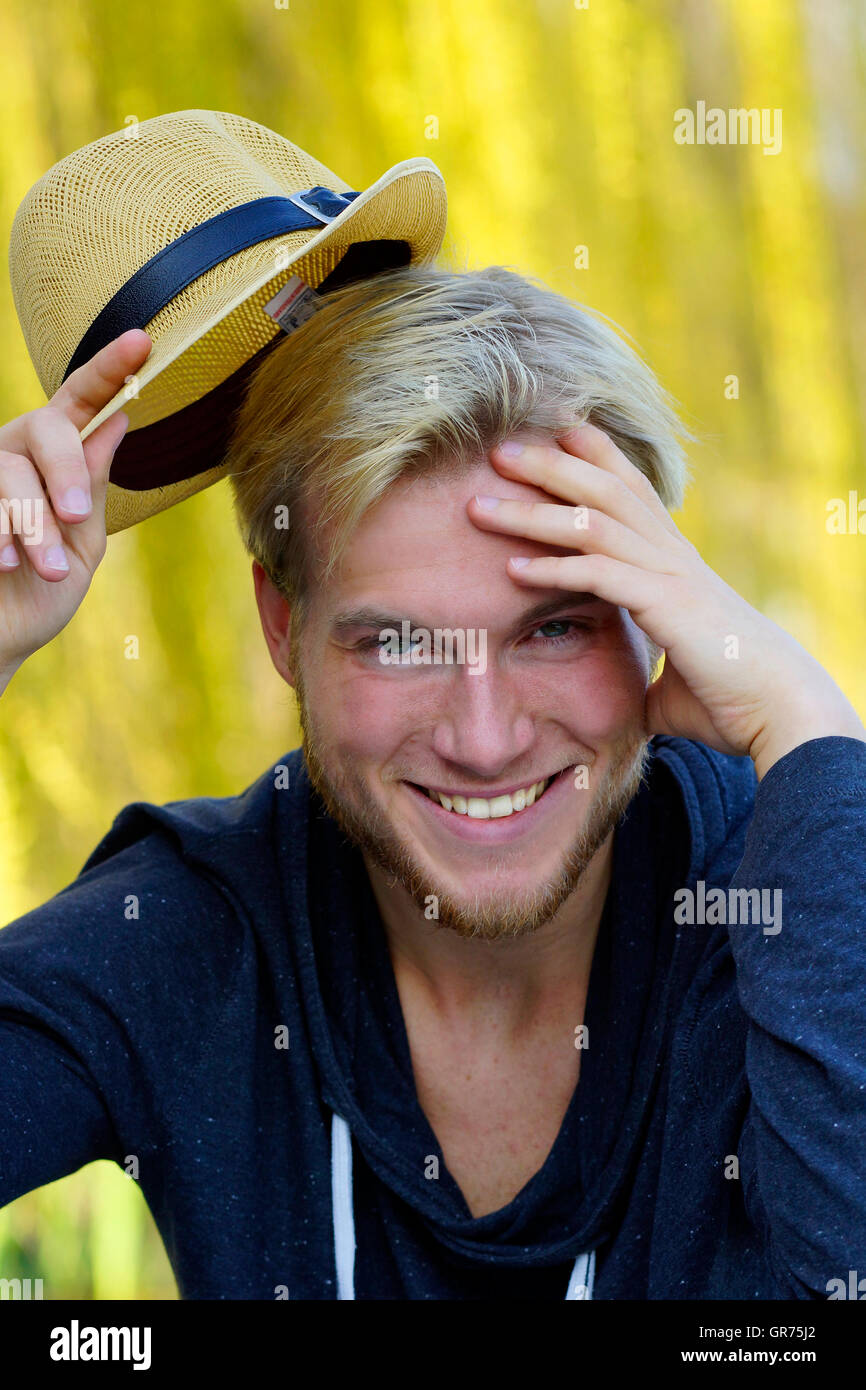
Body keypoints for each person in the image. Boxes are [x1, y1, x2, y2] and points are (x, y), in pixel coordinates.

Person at [1, 263, 864, 1301]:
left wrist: (807, 727)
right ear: (284, 626)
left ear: (657, 613)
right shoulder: (196, 935)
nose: (485, 737)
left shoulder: (789, 912)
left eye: (552, 628)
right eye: (398, 644)